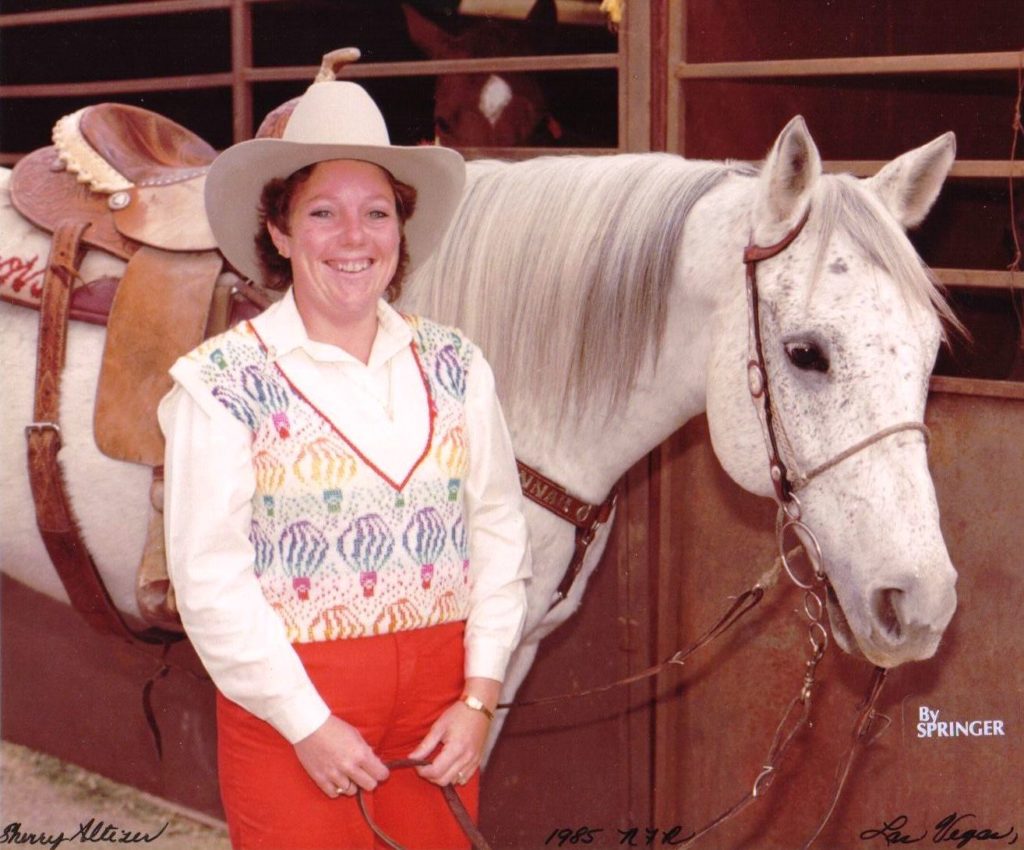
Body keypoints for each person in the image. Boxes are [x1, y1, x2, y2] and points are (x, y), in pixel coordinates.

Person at [158, 79, 532, 850]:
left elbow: (497, 529)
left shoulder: (457, 364)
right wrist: (308, 724)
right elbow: (209, 578)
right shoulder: (222, 382)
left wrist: (479, 699)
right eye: (323, 212)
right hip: (292, 724)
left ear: (401, 229)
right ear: (282, 231)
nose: (353, 237)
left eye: (377, 212)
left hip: (440, 726)